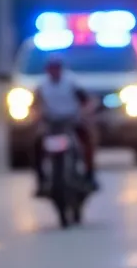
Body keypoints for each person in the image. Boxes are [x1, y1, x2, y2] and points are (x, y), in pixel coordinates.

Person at [31, 54, 99, 196]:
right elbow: (35, 105)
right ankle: (41, 179)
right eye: (51, 68)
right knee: (37, 144)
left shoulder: (71, 82)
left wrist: (86, 113)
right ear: (47, 69)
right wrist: (36, 116)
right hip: (51, 124)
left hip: (71, 122)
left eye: (57, 68)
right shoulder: (42, 85)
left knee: (87, 140)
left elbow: (86, 101)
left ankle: (90, 175)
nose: (54, 71)